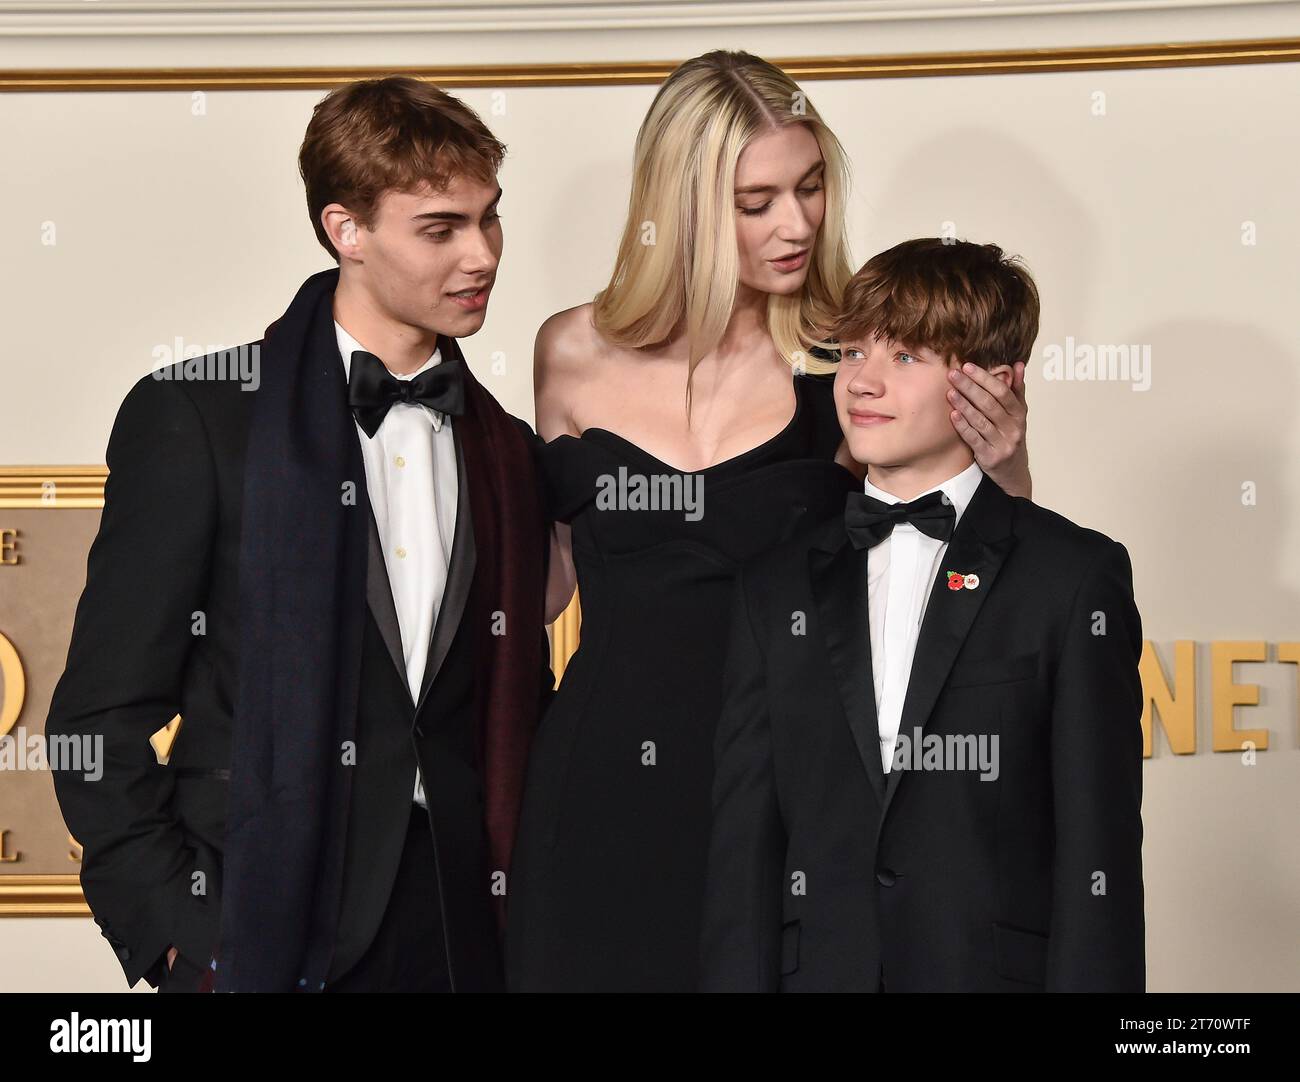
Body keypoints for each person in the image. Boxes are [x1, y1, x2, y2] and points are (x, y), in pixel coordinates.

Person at [506, 51, 1032, 992]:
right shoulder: (569, 350)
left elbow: (968, 596)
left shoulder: (852, 358)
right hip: (593, 791)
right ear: (682, 204)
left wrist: (1008, 470)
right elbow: (544, 588)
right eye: (757, 202)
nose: (796, 224)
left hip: (784, 801)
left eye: (811, 186)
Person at [45, 76, 553, 993]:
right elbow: (98, 718)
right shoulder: (197, 419)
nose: (482, 255)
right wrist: (176, 933)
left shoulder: (506, 447)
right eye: (440, 229)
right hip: (257, 926)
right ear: (344, 231)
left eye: (490, 219)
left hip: (467, 934)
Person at [700, 238, 1146, 992]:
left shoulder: (1072, 579)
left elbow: (1097, 856)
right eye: (850, 352)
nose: (863, 382)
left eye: (906, 357)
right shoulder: (773, 589)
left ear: (994, 383)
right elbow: (744, 858)